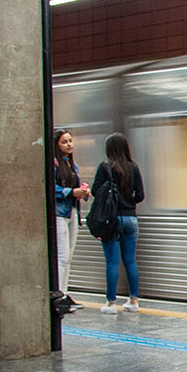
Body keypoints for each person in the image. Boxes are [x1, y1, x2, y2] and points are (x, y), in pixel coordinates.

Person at [92, 133, 144, 314]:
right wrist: (127, 201)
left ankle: (110, 303)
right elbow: (140, 196)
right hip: (131, 219)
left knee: (112, 262)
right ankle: (134, 301)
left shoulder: (104, 167)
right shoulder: (133, 167)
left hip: (112, 220)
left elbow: (95, 191)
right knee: (130, 260)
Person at [52, 130, 90, 313]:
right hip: (60, 213)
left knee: (69, 257)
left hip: (72, 212)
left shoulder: (70, 164)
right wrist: (70, 192)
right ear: (56, 145)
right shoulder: (53, 164)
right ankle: (58, 296)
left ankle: (64, 294)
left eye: (70, 141)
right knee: (62, 256)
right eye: (64, 142)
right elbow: (51, 188)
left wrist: (83, 191)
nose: (69, 144)